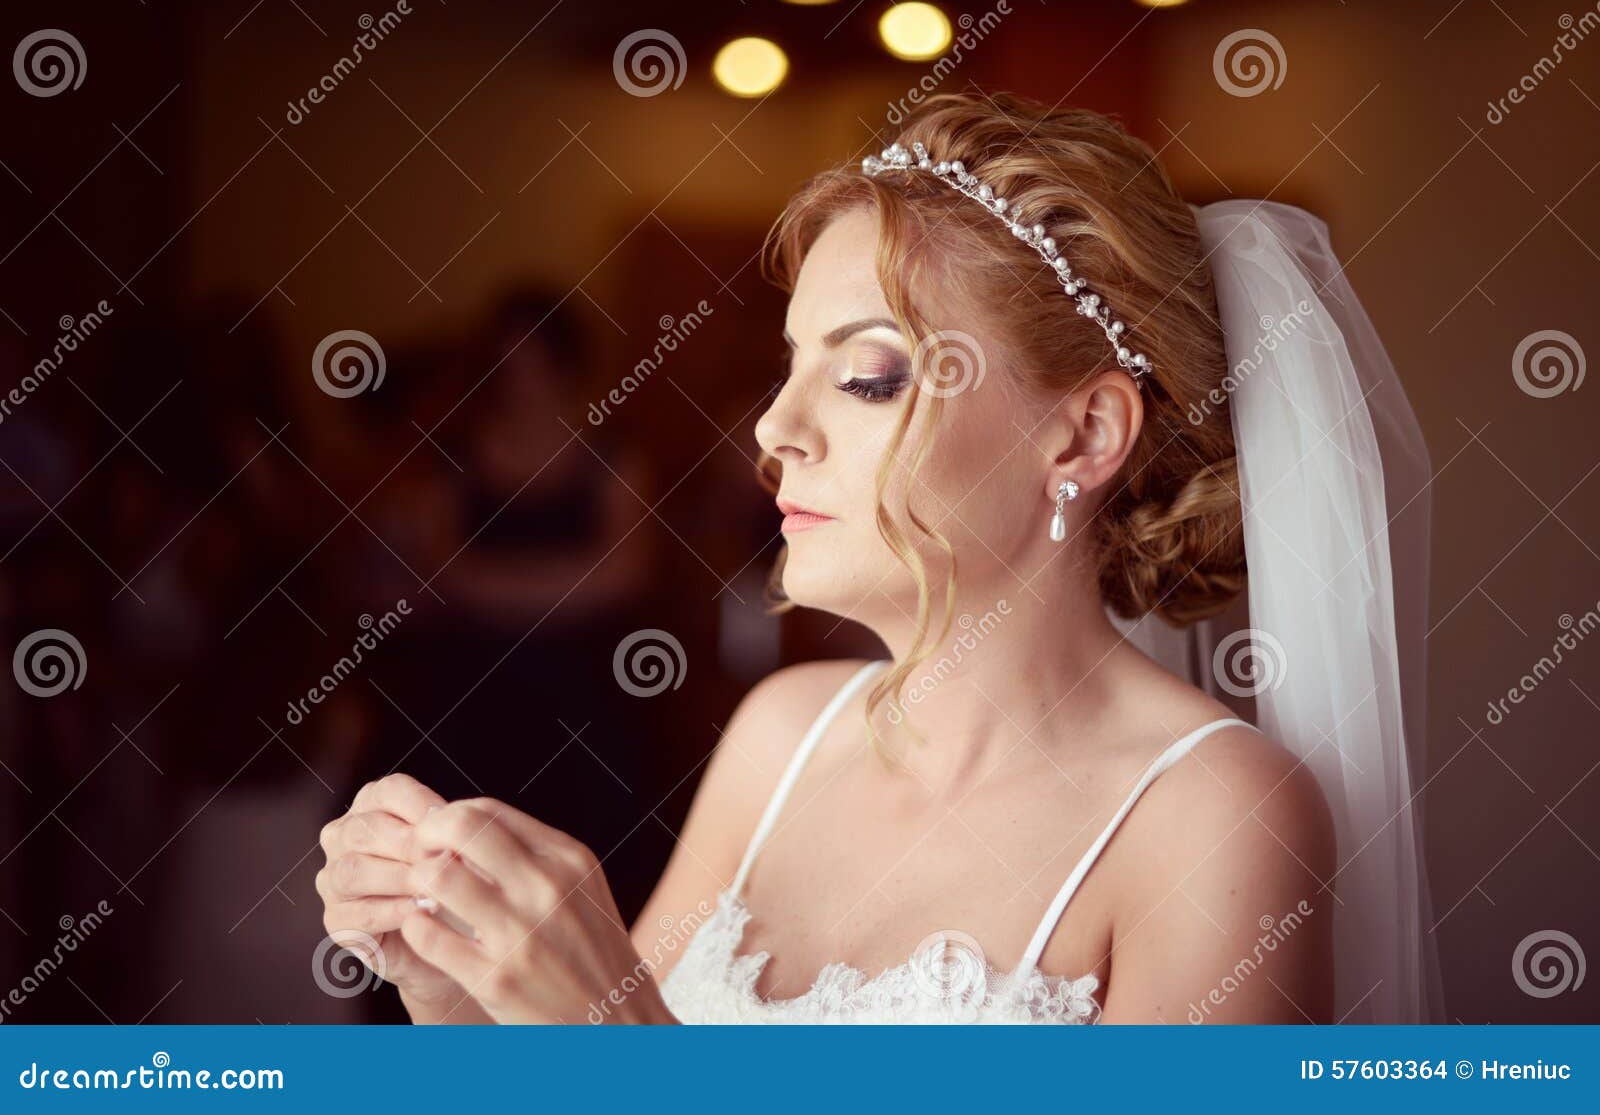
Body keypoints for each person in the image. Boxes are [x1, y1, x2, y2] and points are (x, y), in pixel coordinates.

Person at [314, 91, 1444, 1024]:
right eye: (791, 365)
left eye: (868, 377)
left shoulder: (1215, 816)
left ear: (1084, 434)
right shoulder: (778, 737)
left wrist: (610, 1039)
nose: (773, 430)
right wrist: (453, 986)